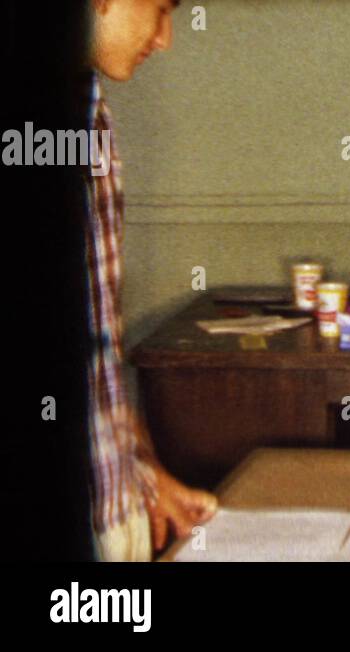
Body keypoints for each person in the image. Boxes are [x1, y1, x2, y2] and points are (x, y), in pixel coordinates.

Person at [86, 0, 217, 561]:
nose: (165, 39)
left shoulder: (92, 115)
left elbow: (97, 347)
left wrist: (147, 472)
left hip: (116, 512)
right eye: (160, 9)